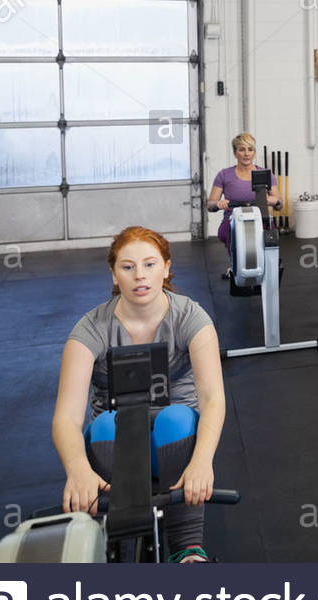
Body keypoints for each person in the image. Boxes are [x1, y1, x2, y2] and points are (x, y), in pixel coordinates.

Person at [52, 226, 227, 562]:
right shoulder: (90, 329)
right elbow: (67, 417)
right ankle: (113, 543)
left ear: (166, 267)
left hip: (175, 442)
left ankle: (187, 548)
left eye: (149, 264)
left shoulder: (192, 318)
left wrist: (203, 462)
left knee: (175, 416)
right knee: (103, 424)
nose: (140, 276)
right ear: (114, 275)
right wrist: (76, 469)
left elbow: (213, 400)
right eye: (127, 267)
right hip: (114, 446)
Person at [208, 133, 281, 249]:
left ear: (254, 153)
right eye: (242, 150)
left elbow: (280, 205)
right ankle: (235, 265)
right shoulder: (224, 175)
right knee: (232, 236)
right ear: (235, 153)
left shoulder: (266, 174)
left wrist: (276, 202)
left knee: (269, 241)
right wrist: (218, 204)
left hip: (260, 218)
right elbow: (210, 205)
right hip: (233, 220)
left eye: (250, 150)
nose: (246, 154)